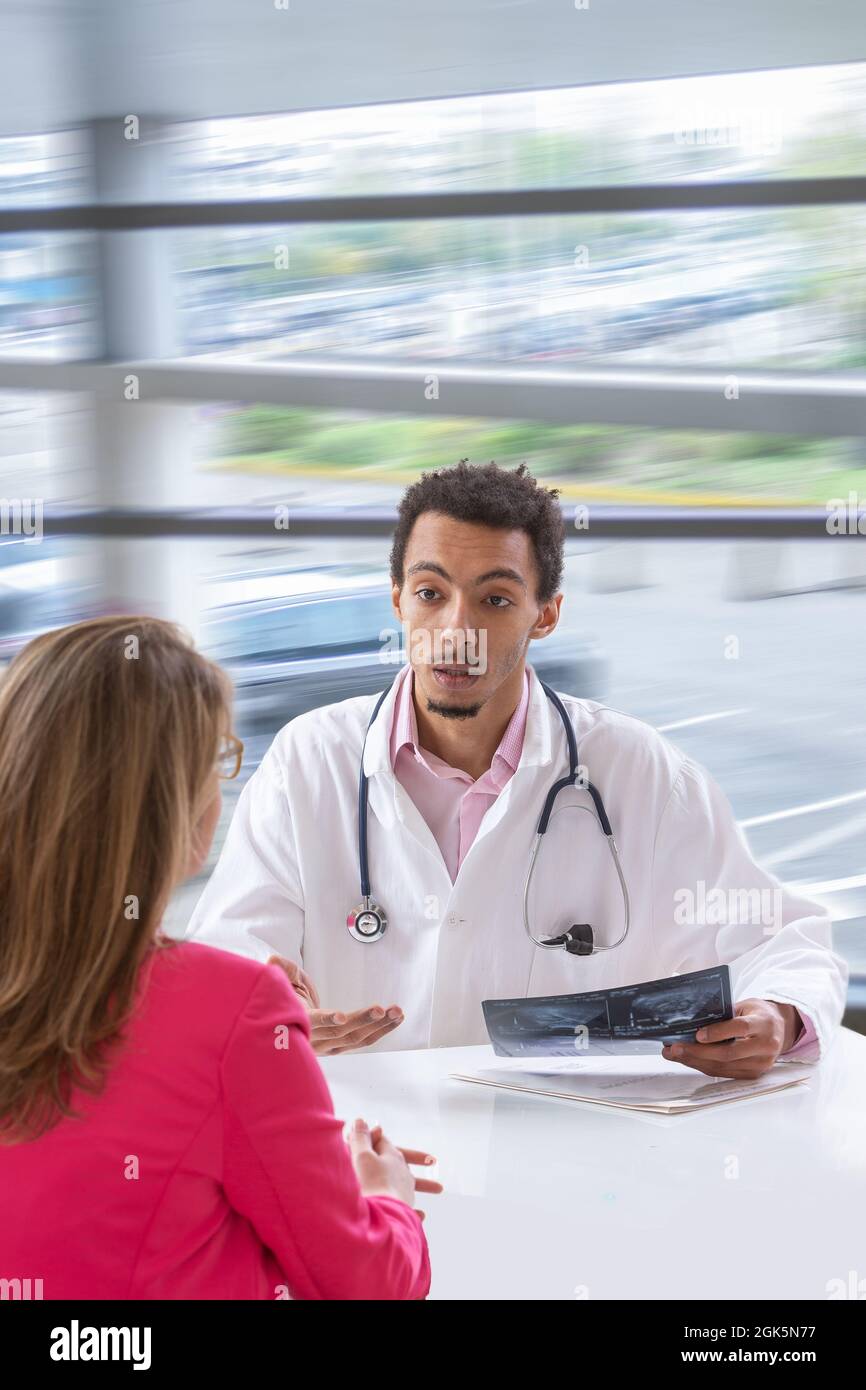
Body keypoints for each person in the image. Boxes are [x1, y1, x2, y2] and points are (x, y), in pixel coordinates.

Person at [189, 460, 848, 1077]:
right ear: (397, 601)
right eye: (429, 592)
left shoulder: (641, 773)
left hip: (557, 1164)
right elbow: (227, 952)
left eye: (495, 600)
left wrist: (779, 1014)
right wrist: (263, 1007)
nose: (456, 630)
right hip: (353, 1160)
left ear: (547, 613)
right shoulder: (308, 762)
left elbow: (783, 940)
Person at [0, 616, 437, 1300]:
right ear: (170, 802)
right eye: (218, 760)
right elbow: (365, 1282)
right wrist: (387, 1198)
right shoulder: (229, 1010)